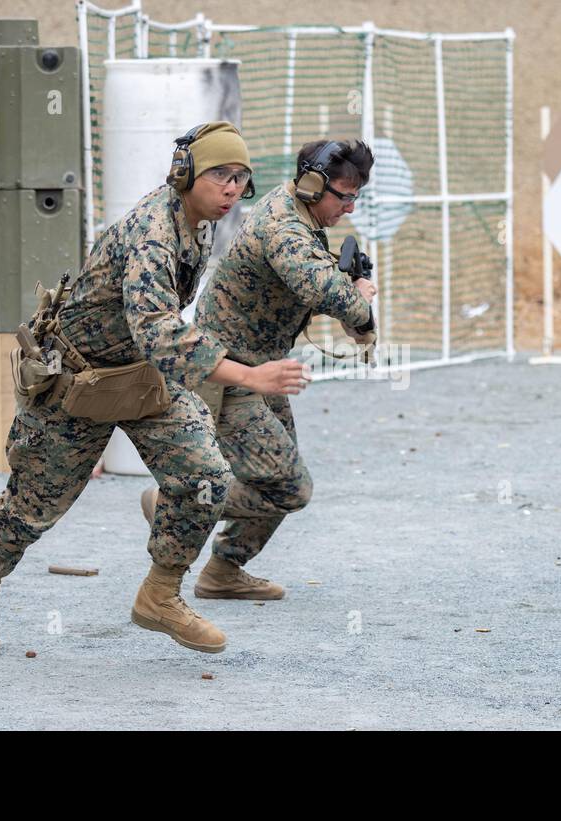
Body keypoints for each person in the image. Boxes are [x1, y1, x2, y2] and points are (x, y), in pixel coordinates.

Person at [0, 122, 311, 657]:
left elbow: (160, 334)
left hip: (143, 376)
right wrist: (248, 376)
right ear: (185, 174)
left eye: (241, 178)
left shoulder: (201, 225)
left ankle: (160, 596)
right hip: (78, 380)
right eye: (220, 175)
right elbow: (159, 329)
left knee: (205, 478)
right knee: (34, 506)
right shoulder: (154, 232)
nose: (232, 189)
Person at [137, 139, 377, 601]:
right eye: (342, 196)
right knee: (290, 487)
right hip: (226, 372)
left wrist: (351, 297)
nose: (348, 207)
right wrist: (358, 303)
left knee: (275, 474)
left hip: (261, 366)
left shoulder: (302, 216)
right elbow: (320, 287)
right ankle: (176, 502)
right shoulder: (284, 224)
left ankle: (224, 571)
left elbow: (319, 281)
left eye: (355, 198)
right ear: (311, 185)